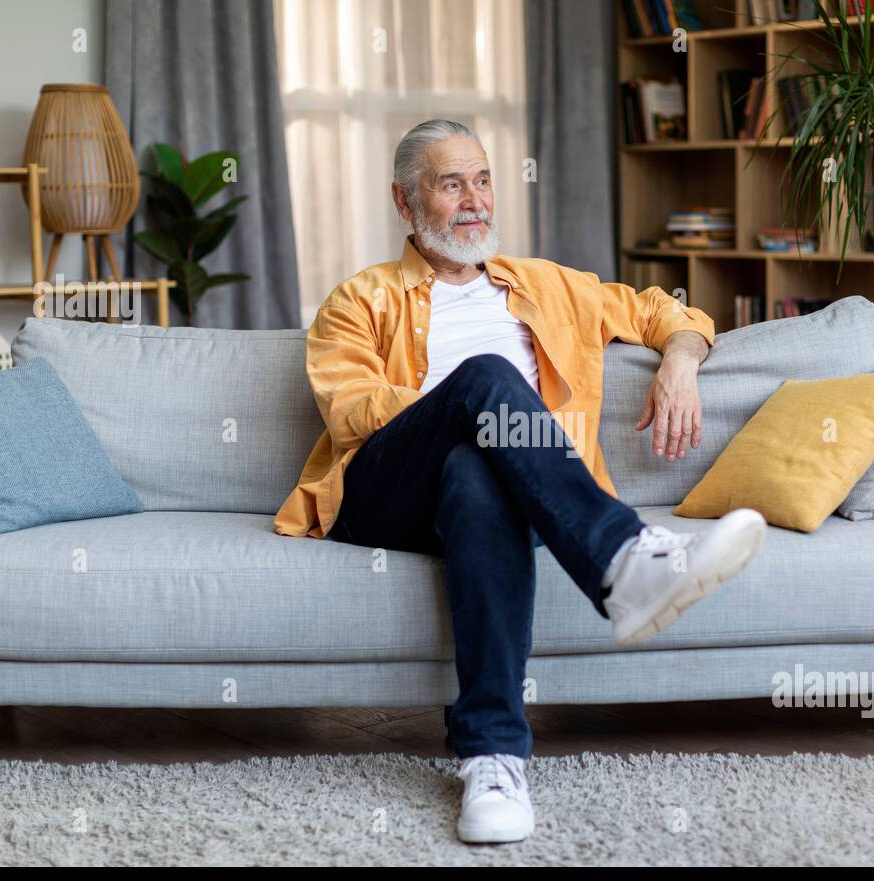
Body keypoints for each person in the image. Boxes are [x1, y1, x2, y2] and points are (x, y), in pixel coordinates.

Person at [275, 119, 765, 844]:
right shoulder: (360, 300)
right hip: (383, 493)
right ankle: (622, 558)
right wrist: (466, 407)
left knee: (479, 476)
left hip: (501, 492)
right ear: (406, 203)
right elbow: (351, 415)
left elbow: (670, 312)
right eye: (450, 184)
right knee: (485, 382)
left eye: (482, 179)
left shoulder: (550, 286)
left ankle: (492, 758)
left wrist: (682, 362)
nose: (474, 201)